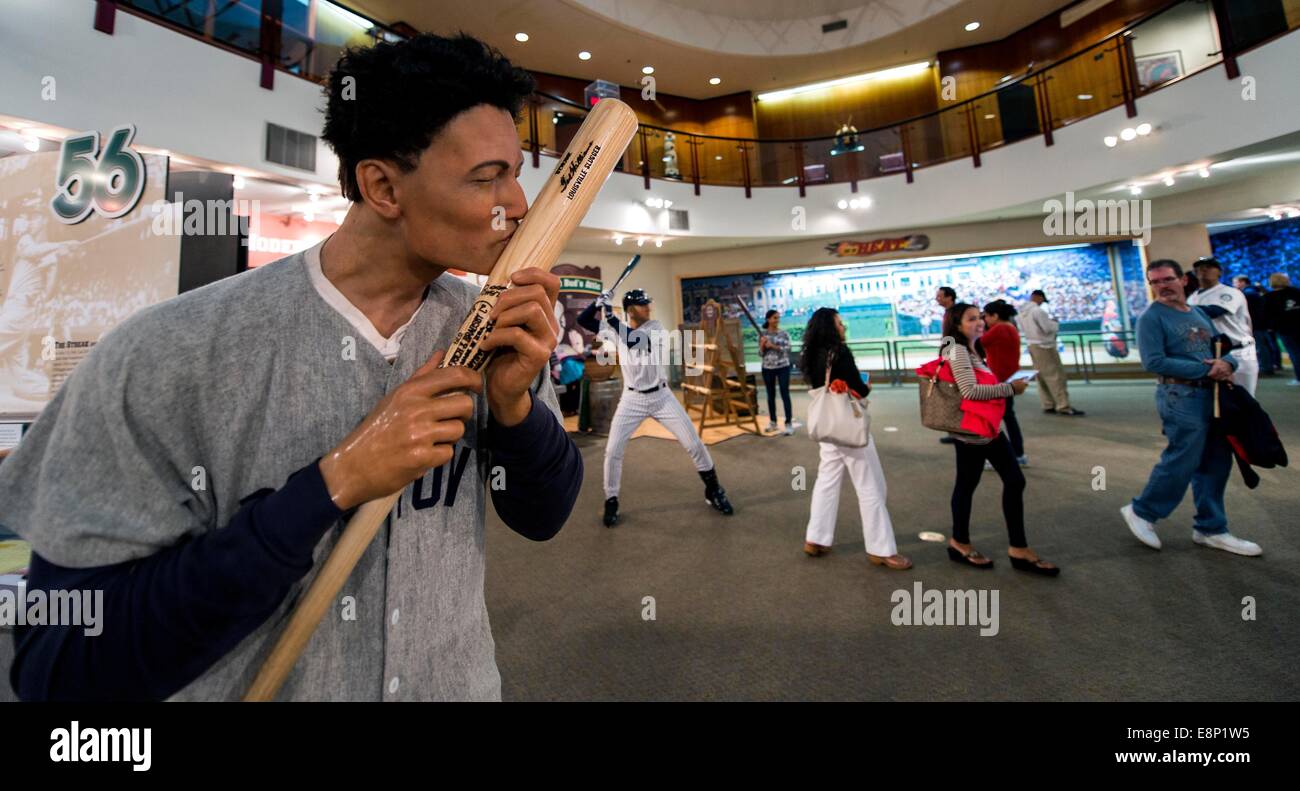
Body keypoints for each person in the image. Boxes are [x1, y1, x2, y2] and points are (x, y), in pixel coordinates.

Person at [0, 33, 584, 701]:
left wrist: (515, 411)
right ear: (382, 185)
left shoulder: (488, 323)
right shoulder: (169, 354)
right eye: (488, 178)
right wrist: (332, 484)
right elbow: (62, 667)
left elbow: (545, 516)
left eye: (516, 172)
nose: (519, 204)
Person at [1120, 260, 1262, 556]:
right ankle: (1143, 511)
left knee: (1216, 462)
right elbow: (1153, 361)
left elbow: (1221, 347)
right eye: (1156, 282)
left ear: (1183, 280)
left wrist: (1228, 363)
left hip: (1211, 396)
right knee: (1182, 459)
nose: (1163, 286)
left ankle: (1211, 528)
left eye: (1168, 279)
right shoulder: (1151, 318)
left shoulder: (1196, 311)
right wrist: (1207, 369)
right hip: (1180, 397)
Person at [578, 288, 734, 527]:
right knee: (612, 451)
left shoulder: (656, 328)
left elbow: (634, 340)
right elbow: (584, 321)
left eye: (647, 303)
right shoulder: (615, 329)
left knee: (694, 443)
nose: (648, 307)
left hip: (662, 397)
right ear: (631, 310)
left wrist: (609, 314)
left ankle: (713, 490)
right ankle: (611, 500)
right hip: (631, 400)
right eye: (642, 305)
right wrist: (596, 303)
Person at [939, 303, 1058, 576]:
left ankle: (1014, 547)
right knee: (972, 485)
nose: (979, 322)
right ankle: (962, 542)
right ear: (956, 325)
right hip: (972, 430)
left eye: (980, 317)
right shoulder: (958, 351)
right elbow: (969, 391)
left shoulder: (973, 349)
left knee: (1007, 481)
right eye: (971, 319)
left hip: (986, 426)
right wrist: (1009, 388)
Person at [799, 308, 910, 569]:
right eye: (839, 323)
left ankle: (816, 538)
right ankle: (881, 549)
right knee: (871, 484)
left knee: (827, 481)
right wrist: (865, 387)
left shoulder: (810, 353)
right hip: (847, 427)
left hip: (828, 427)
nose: (843, 327)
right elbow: (857, 387)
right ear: (830, 326)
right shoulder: (838, 351)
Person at [1188, 258, 1257, 395]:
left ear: (1219, 272)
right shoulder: (1192, 298)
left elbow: (1214, 311)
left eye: (1209, 267)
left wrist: (1178, 310)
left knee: (1244, 400)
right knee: (1217, 402)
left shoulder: (1230, 292)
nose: (1203, 269)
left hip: (1239, 351)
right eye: (1199, 267)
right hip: (1212, 354)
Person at [1020, 288, 1084, 416]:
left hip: (1032, 345)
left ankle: (1048, 403)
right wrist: (1054, 323)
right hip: (1045, 346)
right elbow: (1047, 328)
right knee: (1055, 376)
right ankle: (1063, 405)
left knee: (1041, 377)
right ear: (1039, 297)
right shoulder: (1038, 311)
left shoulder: (1022, 313)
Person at [981, 300, 1028, 466]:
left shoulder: (1000, 329)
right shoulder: (1009, 327)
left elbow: (978, 344)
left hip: (1000, 380)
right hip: (1008, 378)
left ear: (995, 316)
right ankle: (1018, 453)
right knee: (1007, 416)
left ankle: (1005, 457)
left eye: (985, 316)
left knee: (994, 419)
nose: (984, 319)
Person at [759, 309, 794, 435]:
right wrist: (763, 345)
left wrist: (772, 346)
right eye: (775, 318)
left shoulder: (783, 333)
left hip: (783, 367)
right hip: (767, 368)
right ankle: (773, 422)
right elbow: (760, 354)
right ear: (768, 319)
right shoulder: (763, 335)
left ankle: (789, 423)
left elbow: (787, 349)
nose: (777, 320)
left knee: (785, 394)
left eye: (778, 318)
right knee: (770, 396)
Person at [1235, 275, 1277, 376]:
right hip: (1260, 324)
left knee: (1260, 346)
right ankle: (1268, 366)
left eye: (1236, 282)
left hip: (1255, 324)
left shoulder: (1248, 294)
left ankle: (1265, 368)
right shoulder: (1255, 292)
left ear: (1243, 282)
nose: (1234, 285)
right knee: (1264, 345)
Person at [1264, 272, 1300, 386]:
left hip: (1284, 329)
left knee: (1294, 353)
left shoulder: (1268, 297)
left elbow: (1267, 315)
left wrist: (1271, 327)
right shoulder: (1296, 292)